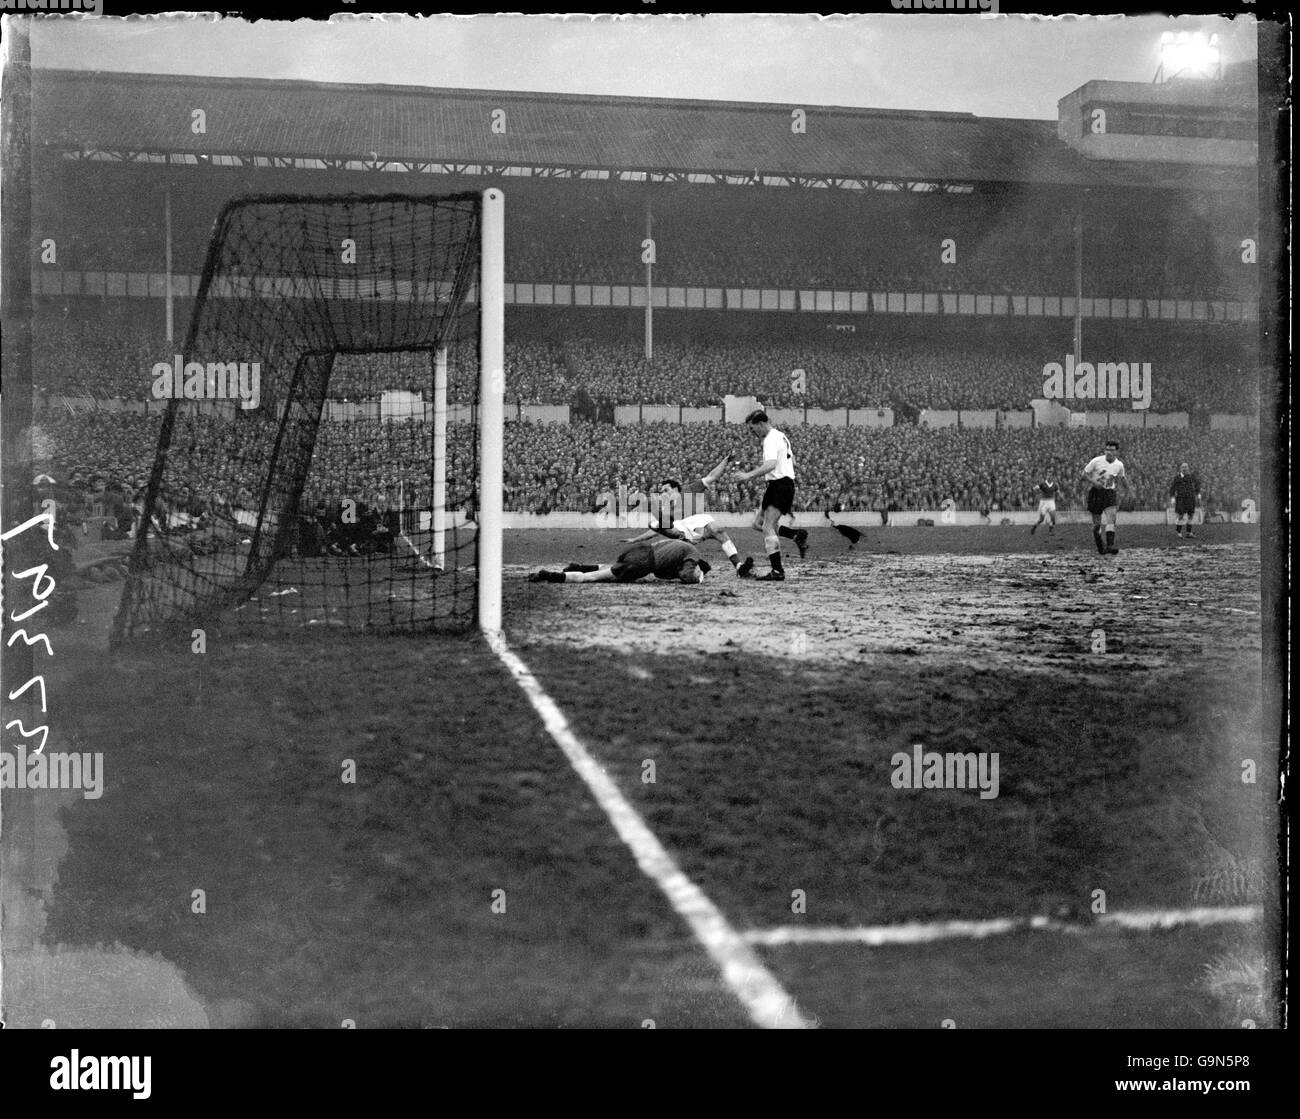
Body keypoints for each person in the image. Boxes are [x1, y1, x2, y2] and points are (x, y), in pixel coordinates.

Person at [732, 409, 806, 581]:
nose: (752, 433)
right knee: (757, 524)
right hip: (778, 484)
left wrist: (748, 475)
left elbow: (771, 464)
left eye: (752, 429)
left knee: (767, 527)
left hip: (780, 485)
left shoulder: (770, 439)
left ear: (761, 424)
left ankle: (778, 571)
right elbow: (793, 461)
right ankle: (795, 535)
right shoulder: (781, 436)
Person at [529, 535, 711, 586]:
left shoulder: (681, 547)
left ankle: (579, 567)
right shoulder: (693, 555)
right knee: (594, 578)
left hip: (640, 550)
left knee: (612, 569)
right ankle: (550, 575)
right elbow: (687, 577)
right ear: (698, 565)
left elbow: (661, 572)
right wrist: (700, 577)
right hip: (643, 563)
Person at [1082, 438, 1129, 555]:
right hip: (1096, 492)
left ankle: (1110, 545)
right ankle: (1100, 546)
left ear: (1116, 452)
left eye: (1112, 450)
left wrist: (1129, 491)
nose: (1109, 452)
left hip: (1109, 493)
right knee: (1097, 524)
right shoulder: (1096, 461)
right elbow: (1084, 474)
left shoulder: (1119, 465)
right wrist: (1094, 482)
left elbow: (1122, 478)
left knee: (1111, 519)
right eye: (1107, 450)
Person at [1168, 462, 1201, 539]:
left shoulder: (1191, 477)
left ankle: (1189, 533)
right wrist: (1172, 497)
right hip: (1181, 499)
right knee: (1181, 515)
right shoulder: (1177, 478)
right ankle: (1178, 533)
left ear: (1188, 468)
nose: (1184, 468)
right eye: (1183, 467)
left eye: (1186, 467)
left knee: (1191, 515)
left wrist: (1197, 493)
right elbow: (1173, 488)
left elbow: (1197, 485)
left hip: (1190, 499)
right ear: (1180, 468)